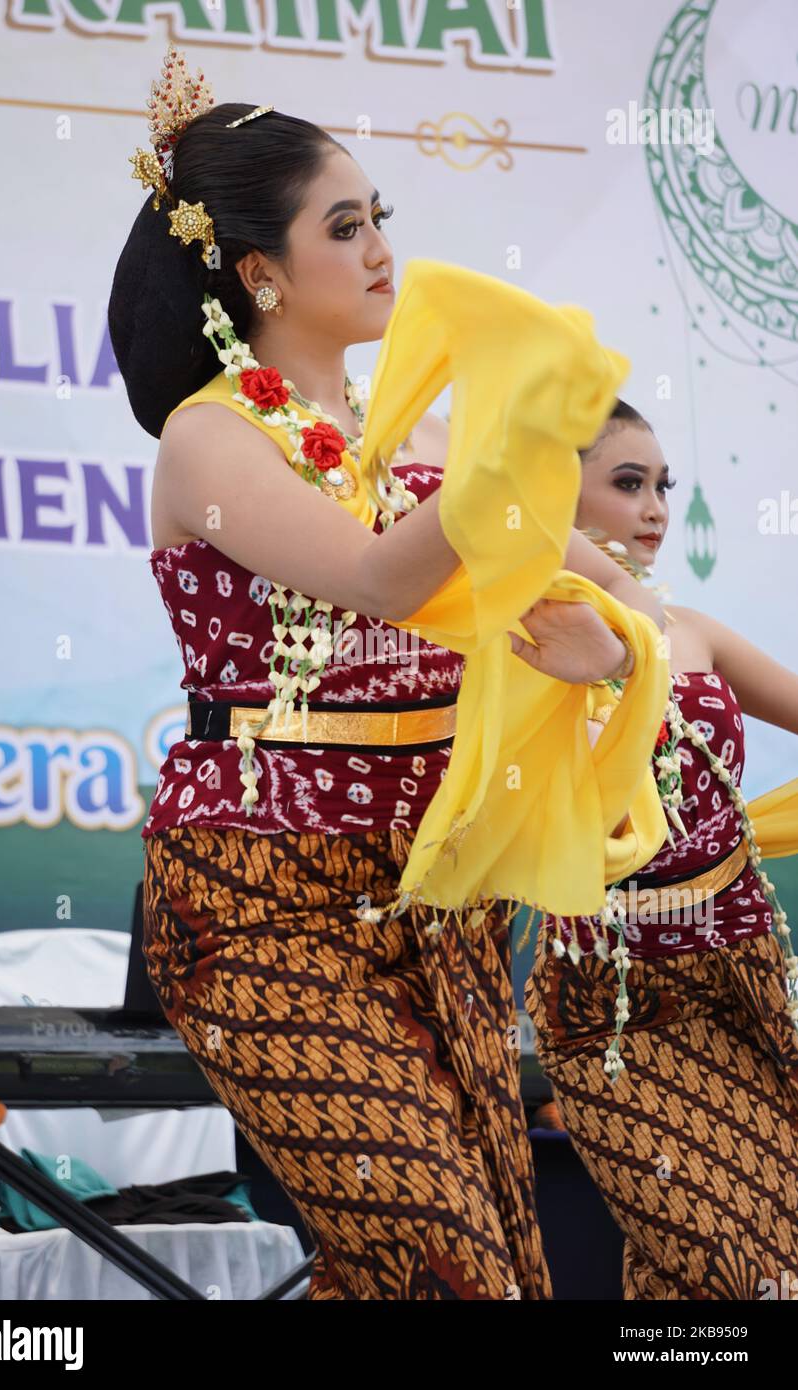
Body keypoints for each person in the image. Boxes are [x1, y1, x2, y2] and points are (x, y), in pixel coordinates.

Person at [108, 45, 666, 1300]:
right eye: (343, 226)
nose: (379, 252)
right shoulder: (209, 439)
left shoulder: (421, 440)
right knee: (442, 1263)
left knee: (480, 1272)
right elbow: (376, 578)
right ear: (258, 270)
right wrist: (509, 455)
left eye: (379, 219)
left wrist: (610, 648)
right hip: (263, 893)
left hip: (435, 888)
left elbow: (625, 595)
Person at [524, 399, 798, 1300]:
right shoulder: (517, 639)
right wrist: (613, 665)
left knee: (688, 1284)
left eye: (663, 487)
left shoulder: (693, 632)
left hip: (744, 974)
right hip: (614, 1004)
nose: (654, 509)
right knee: (743, 1271)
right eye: (628, 482)